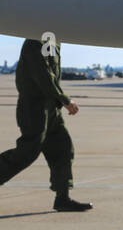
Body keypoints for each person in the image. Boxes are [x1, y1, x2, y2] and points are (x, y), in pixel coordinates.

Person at [0, 37, 92, 211]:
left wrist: (57, 101)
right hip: (34, 107)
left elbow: (51, 73)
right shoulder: (36, 40)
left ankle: (62, 198)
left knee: (63, 148)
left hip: (51, 109)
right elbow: (42, 74)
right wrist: (64, 99)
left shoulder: (52, 40)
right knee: (27, 152)